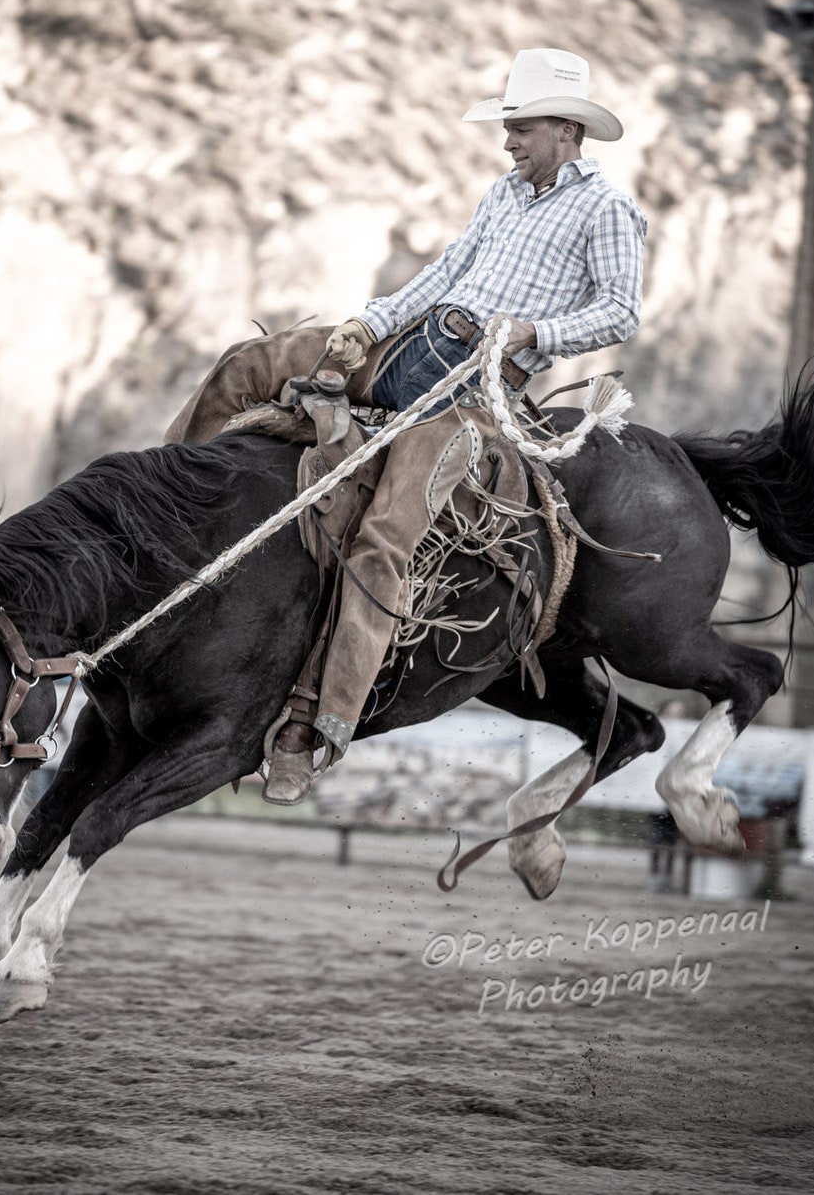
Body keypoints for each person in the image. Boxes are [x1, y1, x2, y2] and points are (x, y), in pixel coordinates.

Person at [166, 48, 648, 804]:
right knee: (249, 362)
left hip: (477, 395)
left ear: (565, 128)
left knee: (384, 535)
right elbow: (444, 273)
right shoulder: (503, 194)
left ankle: (315, 725)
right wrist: (369, 322)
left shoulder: (608, 210)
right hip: (412, 346)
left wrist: (532, 334)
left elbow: (621, 309)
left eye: (519, 127)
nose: (508, 141)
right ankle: (163, 506)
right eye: (508, 127)